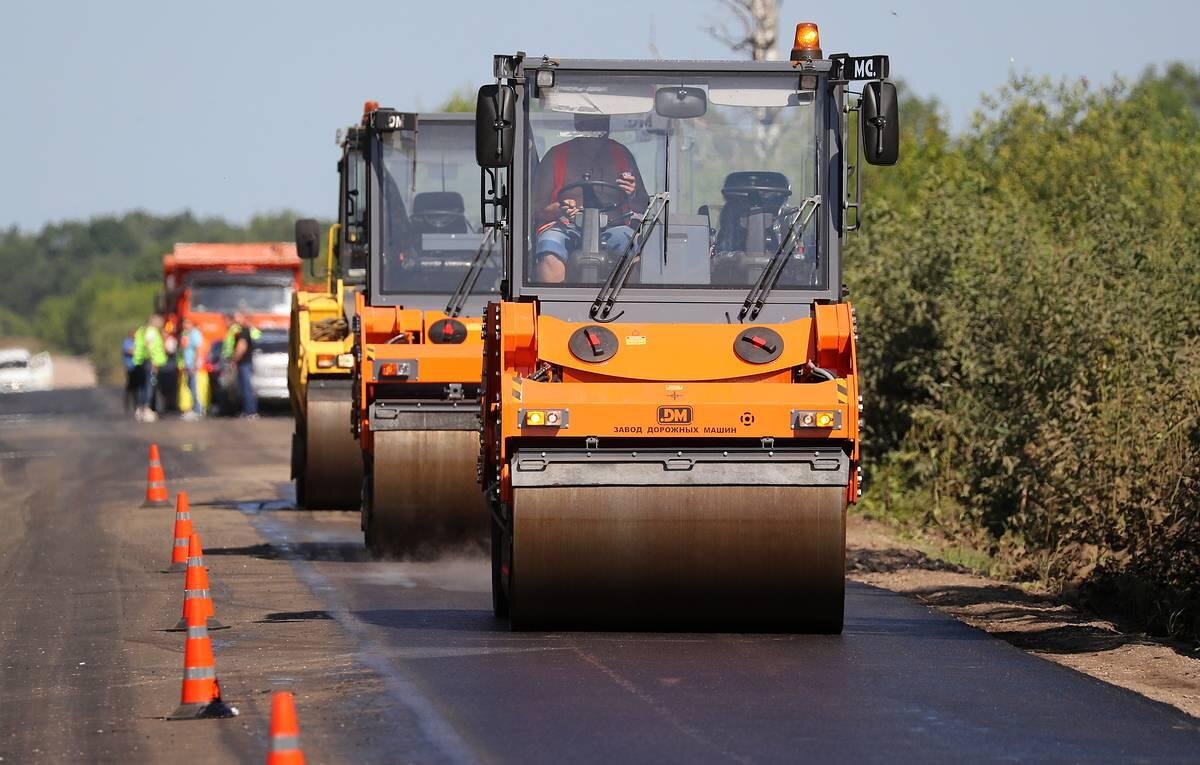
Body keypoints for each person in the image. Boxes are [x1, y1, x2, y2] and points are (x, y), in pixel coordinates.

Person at [531, 113, 650, 283]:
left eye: (602, 119)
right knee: (549, 252)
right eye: (590, 121)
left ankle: (631, 306)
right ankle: (552, 307)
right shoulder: (555, 156)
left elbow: (644, 206)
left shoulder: (621, 154)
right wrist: (560, 208)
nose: (597, 125)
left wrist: (633, 192)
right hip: (564, 226)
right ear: (578, 123)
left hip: (614, 226)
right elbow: (536, 208)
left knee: (634, 252)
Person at [134, 315, 167, 422]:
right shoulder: (152, 331)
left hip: (142, 360)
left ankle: (140, 408)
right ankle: (147, 409)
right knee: (150, 385)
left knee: (143, 385)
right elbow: (150, 346)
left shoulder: (142, 330)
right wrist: (154, 361)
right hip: (151, 362)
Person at [229, 310, 261, 418]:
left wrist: (234, 360)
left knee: (246, 388)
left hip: (244, 363)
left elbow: (241, 347)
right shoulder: (243, 331)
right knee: (245, 387)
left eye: (237, 317)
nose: (235, 319)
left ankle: (250, 411)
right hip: (245, 363)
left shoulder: (244, 331)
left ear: (243, 318)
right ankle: (248, 411)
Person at [180, 318, 205, 420]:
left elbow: (198, 349)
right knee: (190, 386)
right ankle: (196, 408)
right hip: (187, 364)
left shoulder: (195, 334)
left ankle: (197, 409)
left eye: (186, 323)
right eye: (184, 323)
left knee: (193, 386)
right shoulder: (186, 334)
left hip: (193, 364)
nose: (185, 325)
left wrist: (195, 363)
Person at [121, 329, 138, 413]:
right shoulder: (126, 342)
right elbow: (129, 351)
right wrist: (136, 351)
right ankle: (126, 405)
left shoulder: (136, 342)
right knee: (130, 387)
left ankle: (136, 405)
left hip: (137, 367)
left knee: (136, 388)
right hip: (130, 367)